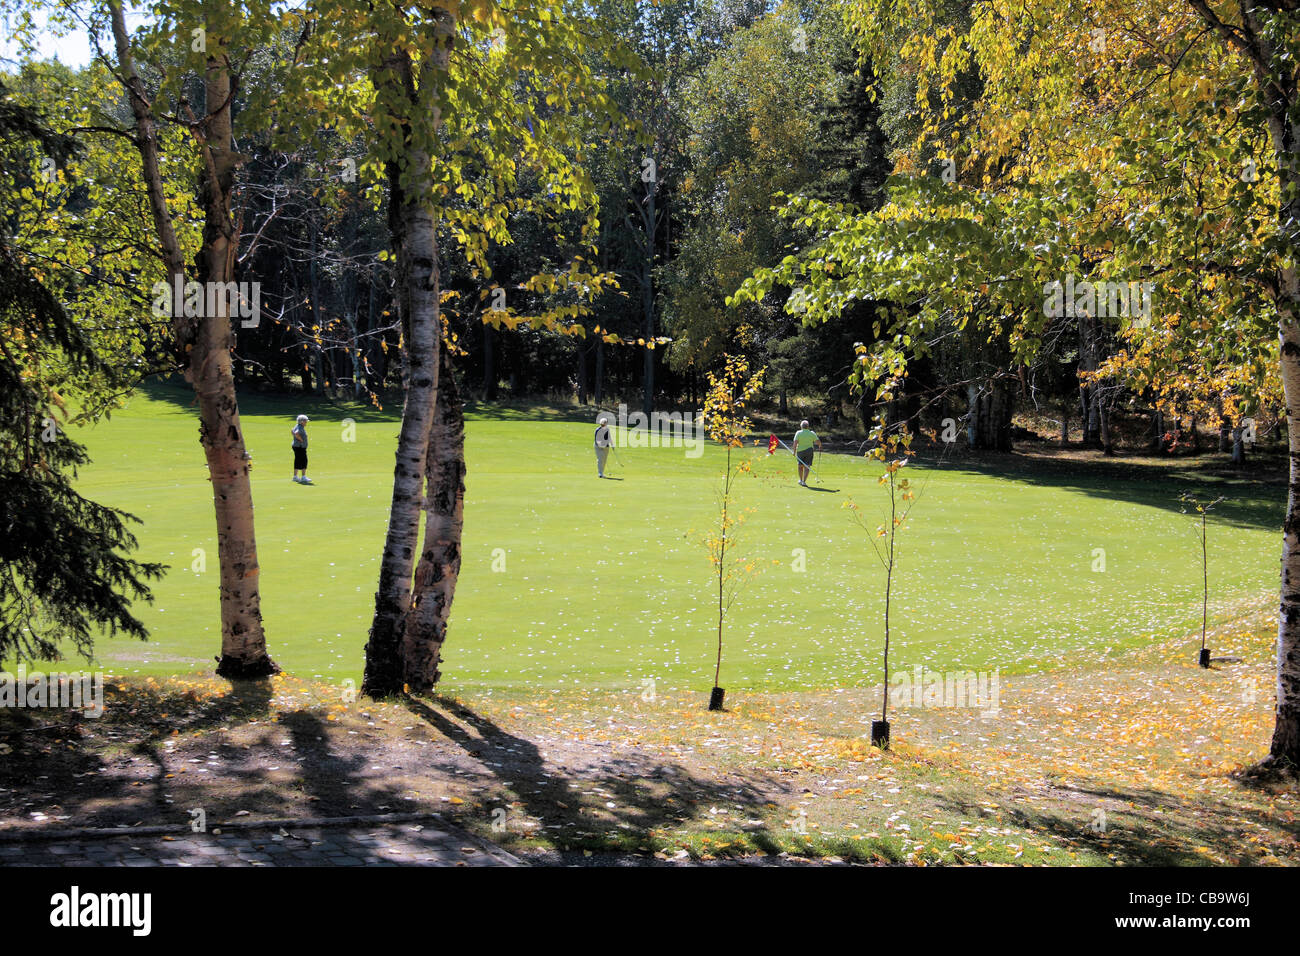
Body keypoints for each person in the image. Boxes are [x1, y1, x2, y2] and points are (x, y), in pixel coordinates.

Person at [793, 419, 821, 487]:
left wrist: (794, 452)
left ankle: (800, 480)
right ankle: (803, 481)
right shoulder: (812, 433)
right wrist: (820, 447)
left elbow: (795, 443)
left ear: (801, 426)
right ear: (808, 426)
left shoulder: (798, 433)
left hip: (800, 451)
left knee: (800, 466)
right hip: (809, 451)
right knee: (807, 466)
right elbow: (818, 442)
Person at [292, 414, 312, 484]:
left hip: (296, 446)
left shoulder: (297, 426)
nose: (306, 422)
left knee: (297, 460)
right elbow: (296, 433)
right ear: (302, 422)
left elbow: (292, 431)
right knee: (304, 460)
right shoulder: (300, 427)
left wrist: (296, 438)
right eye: (305, 421)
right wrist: (301, 440)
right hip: (300, 447)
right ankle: (303, 477)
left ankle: (295, 476)